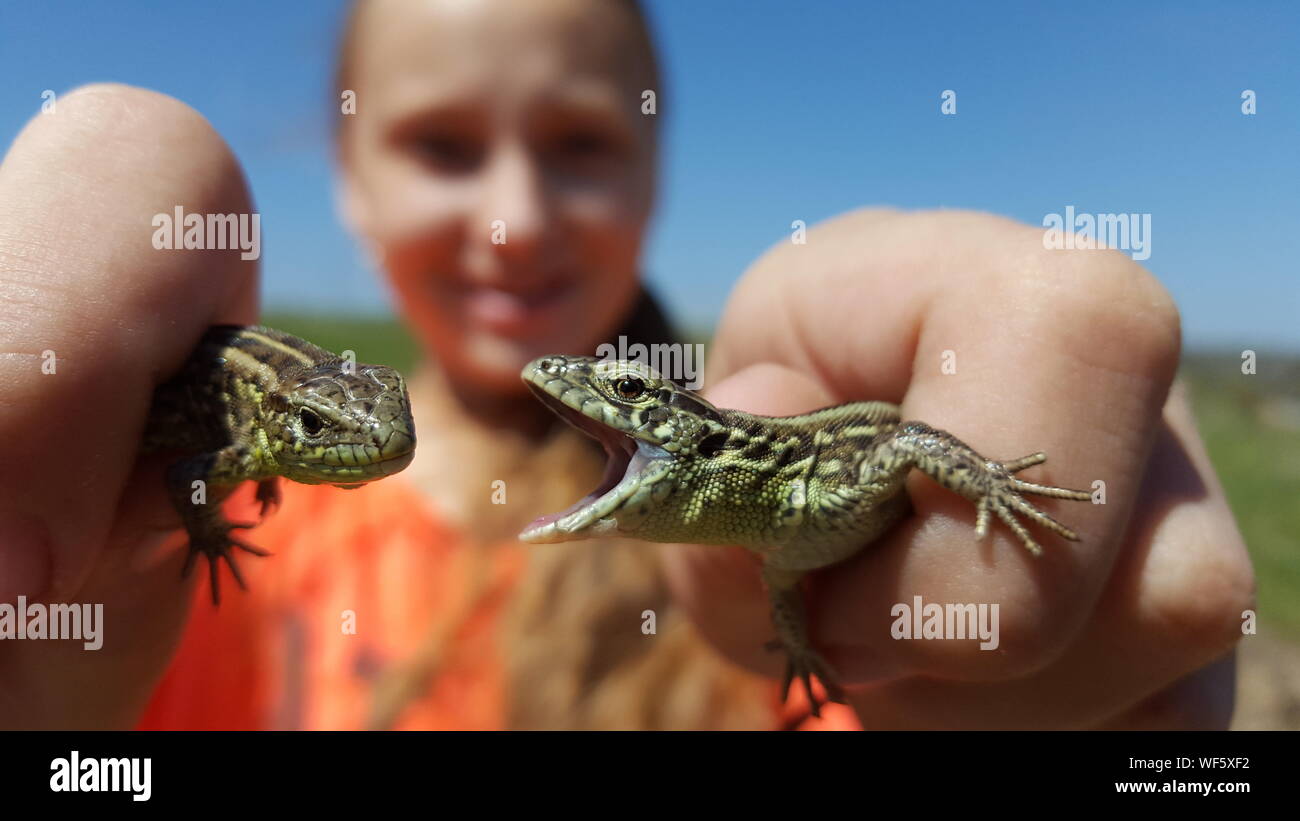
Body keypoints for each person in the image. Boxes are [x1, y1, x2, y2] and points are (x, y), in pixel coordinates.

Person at [0, 0, 1252, 730]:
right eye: (440, 144)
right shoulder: (162, 578)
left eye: (579, 143)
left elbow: (877, 501)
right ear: (349, 193)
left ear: (657, 176)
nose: (513, 219)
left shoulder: (732, 617)